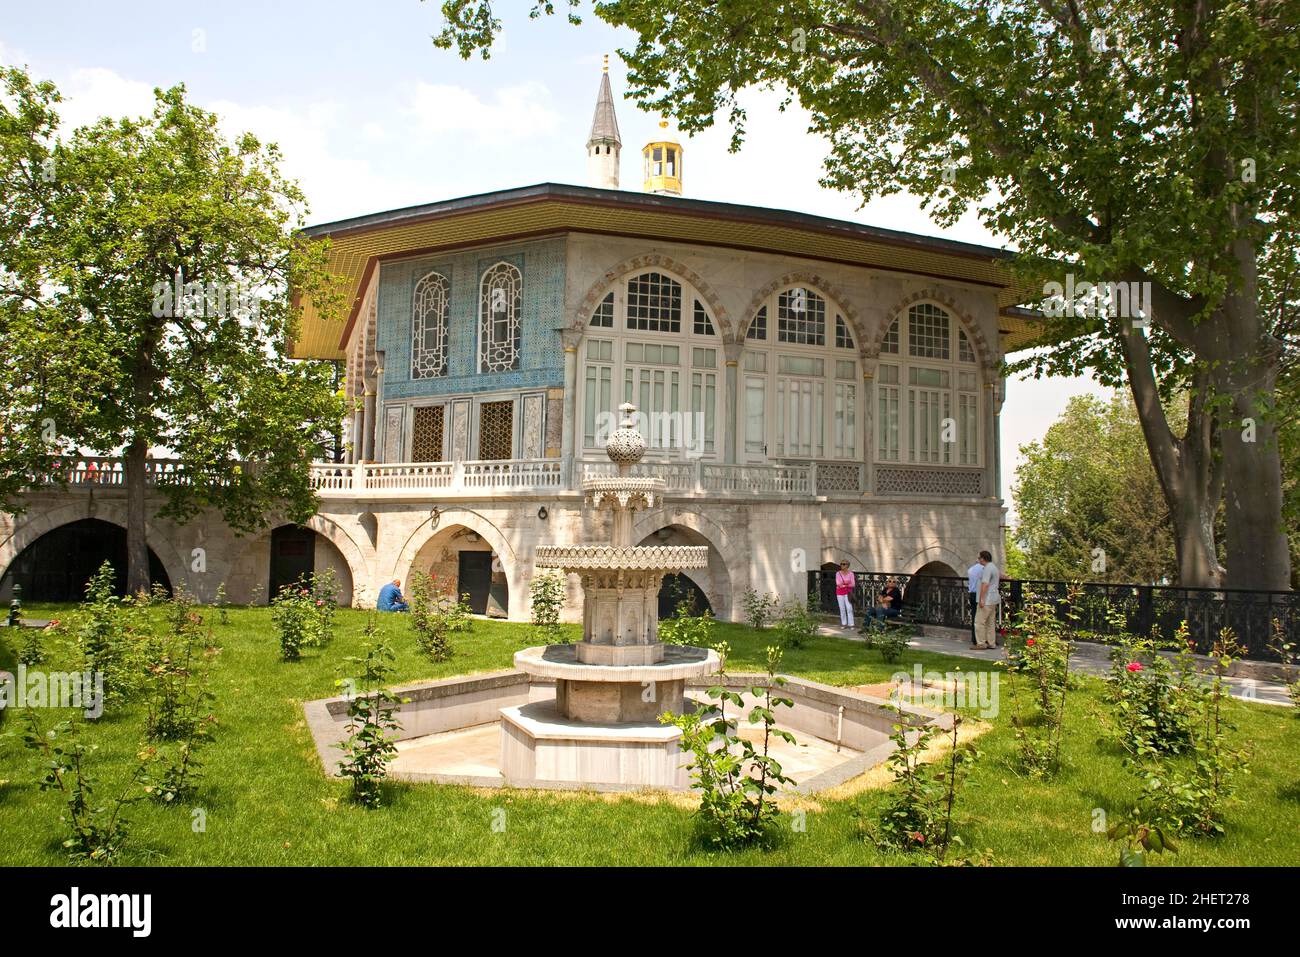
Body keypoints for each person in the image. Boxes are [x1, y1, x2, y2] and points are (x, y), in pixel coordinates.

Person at [974, 550, 1000, 649]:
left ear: (983, 559)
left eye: (979, 558)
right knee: (990, 622)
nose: (978, 560)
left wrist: (981, 599)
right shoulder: (993, 567)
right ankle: (991, 643)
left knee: (979, 622)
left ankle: (981, 643)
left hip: (987, 599)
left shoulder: (987, 569)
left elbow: (985, 584)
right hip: (993, 599)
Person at [966, 557, 983, 647]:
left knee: (974, 616)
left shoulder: (970, 570)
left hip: (972, 594)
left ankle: (974, 638)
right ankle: (980, 639)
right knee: (981, 618)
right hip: (979, 594)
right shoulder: (982, 569)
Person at [834, 559, 855, 628]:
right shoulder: (838, 573)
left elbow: (853, 584)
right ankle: (844, 623)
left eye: (844, 564)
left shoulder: (851, 573)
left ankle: (851, 624)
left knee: (849, 608)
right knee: (842, 608)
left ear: (847, 565)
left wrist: (844, 584)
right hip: (840, 592)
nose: (842, 565)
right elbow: (838, 583)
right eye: (841, 564)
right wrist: (847, 583)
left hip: (848, 592)